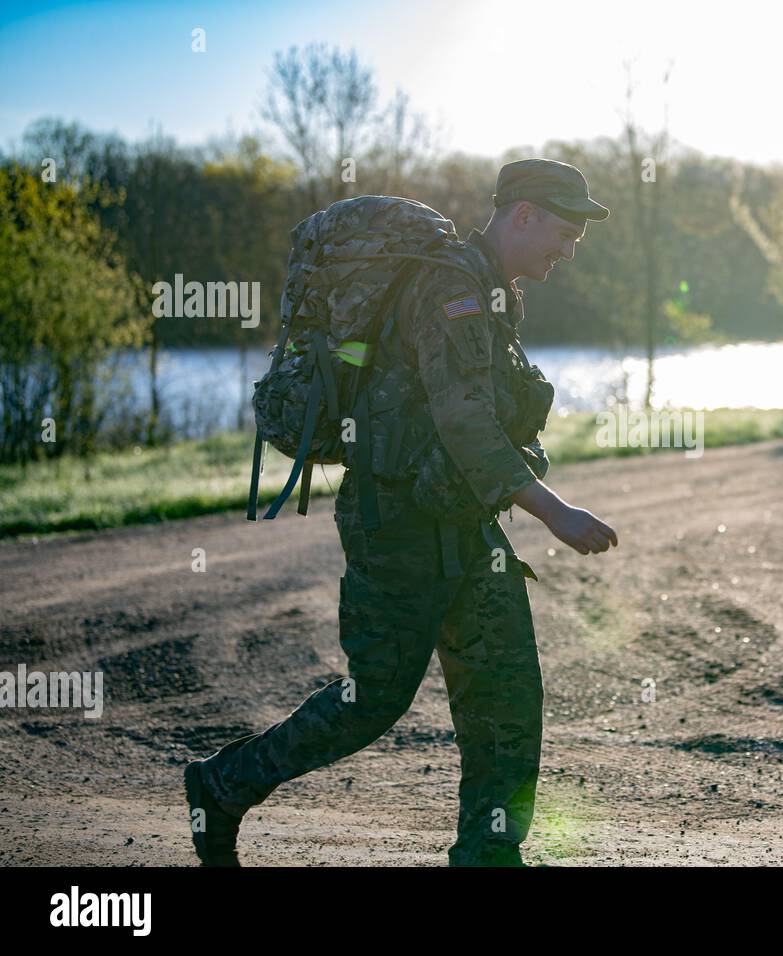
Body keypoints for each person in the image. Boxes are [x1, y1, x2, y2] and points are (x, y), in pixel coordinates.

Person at [185, 159, 619, 867]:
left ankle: (488, 855)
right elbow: (464, 421)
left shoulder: (490, 290)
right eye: (563, 233)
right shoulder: (449, 284)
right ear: (523, 215)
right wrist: (553, 512)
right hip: (397, 523)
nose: (567, 251)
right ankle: (222, 787)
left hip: (463, 522)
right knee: (372, 698)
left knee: (506, 698)